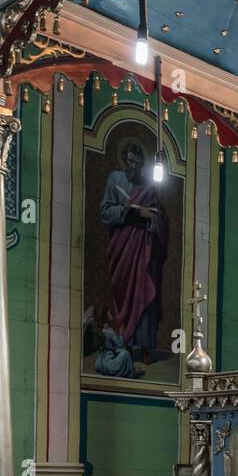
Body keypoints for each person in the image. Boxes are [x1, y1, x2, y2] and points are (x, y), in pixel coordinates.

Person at [99, 138, 168, 363]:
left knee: (144, 292)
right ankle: (124, 343)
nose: (133, 167)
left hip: (143, 247)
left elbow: (160, 217)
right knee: (124, 292)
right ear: (125, 160)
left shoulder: (148, 186)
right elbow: (105, 211)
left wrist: (151, 217)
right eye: (129, 162)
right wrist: (124, 210)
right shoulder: (115, 179)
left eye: (137, 163)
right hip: (122, 245)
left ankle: (146, 346)